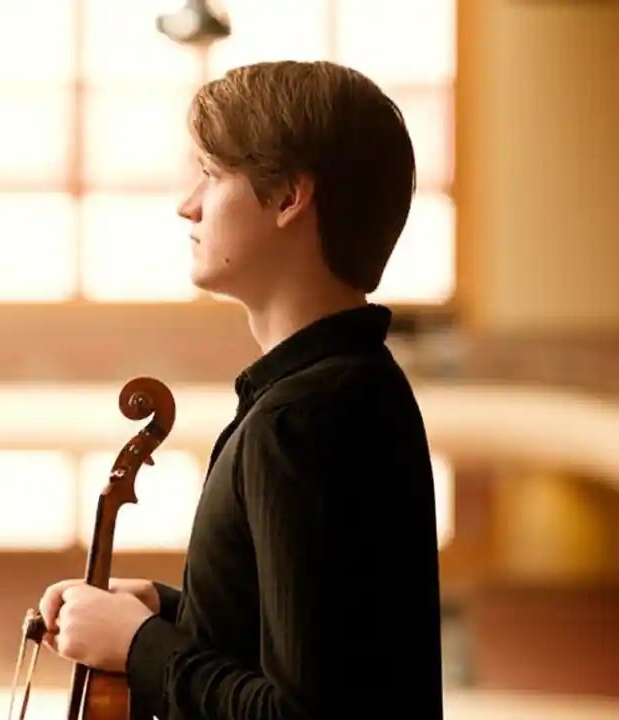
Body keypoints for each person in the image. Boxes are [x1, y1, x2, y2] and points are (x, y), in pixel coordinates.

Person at [36, 60, 444, 719]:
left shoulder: (303, 420)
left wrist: (139, 646)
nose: (186, 204)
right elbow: (330, 647)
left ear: (289, 199)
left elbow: (307, 713)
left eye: (212, 174)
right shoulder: (349, 389)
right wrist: (168, 611)